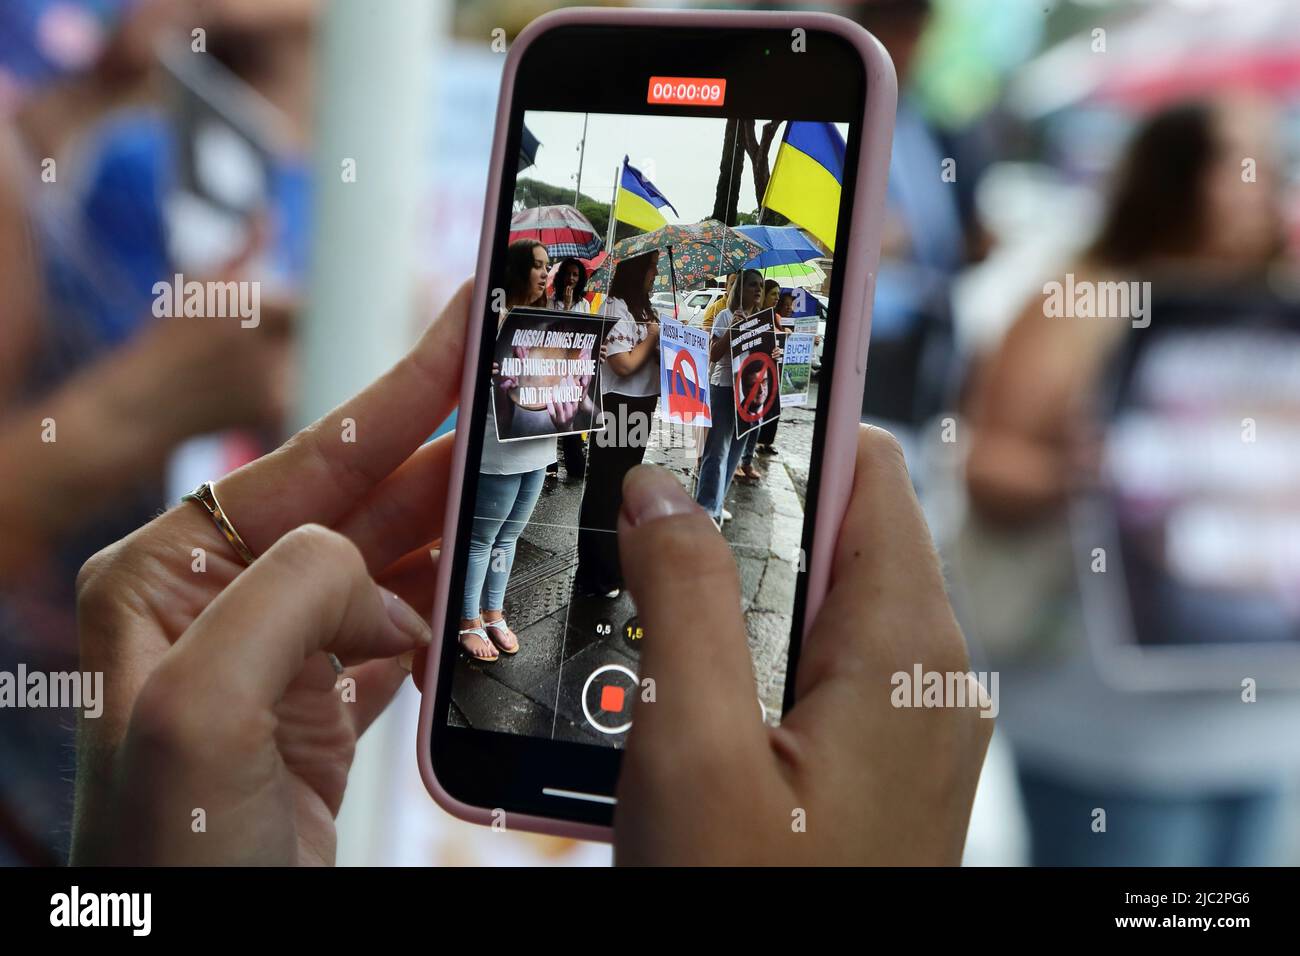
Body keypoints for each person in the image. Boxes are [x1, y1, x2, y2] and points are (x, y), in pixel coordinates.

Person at [69, 279, 992, 865]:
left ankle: (485, 616)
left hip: (536, 452)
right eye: (550, 273)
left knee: (503, 540)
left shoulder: (592, 320)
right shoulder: (538, 318)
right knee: (484, 543)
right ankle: (477, 619)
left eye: (566, 275)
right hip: (521, 450)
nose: (559, 279)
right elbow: (601, 364)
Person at [963, 97, 1300, 865]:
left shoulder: (1278, 305)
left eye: (1269, 163)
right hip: (1110, 729)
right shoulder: (1082, 299)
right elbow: (987, 464)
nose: (1259, 181)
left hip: (1266, 719)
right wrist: (1080, 475)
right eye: (1233, 162)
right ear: (1171, 174)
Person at [459, 239, 561, 661]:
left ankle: (493, 612)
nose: (544, 273)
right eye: (536, 265)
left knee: (511, 535)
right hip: (498, 444)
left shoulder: (547, 321)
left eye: (547, 266)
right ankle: (467, 620)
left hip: (539, 442)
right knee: (482, 537)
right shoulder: (491, 316)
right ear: (517, 269)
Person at [573, 250, 661, 598]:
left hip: (642, 404)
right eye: (651, 268)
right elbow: (622, 364)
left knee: (624, 490)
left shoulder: (644, 309)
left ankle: (614, 565)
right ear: (637, 270)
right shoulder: (615, 308)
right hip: (617, 407)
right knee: (605, 489)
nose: (655, 274)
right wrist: (652, 339)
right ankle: (595, 574)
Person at [695, 268, 764, 523]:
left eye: (760, 285)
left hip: (749, 392)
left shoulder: (761, 320)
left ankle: (716, 501)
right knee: (717, 450)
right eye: (752, 285)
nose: (757, 290)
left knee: (735, 451)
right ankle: (705, 508)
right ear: (740, 290)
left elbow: (761, 358)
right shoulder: (725, 315)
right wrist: (732, 330)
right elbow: (713, 354)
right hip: (724, 388)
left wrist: (774, 354)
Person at [546, 256, 591, 482]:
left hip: (574, 366)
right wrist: (564, 306)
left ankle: (574, 464)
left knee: (571, 416)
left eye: (576, 275)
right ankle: (549, 463)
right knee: (551, 413)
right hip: (552, 364)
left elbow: (582, 335)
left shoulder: (584, 304)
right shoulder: (551, 300)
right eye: (568, 274)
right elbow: (551, 332)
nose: (571, 278)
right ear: (562, 276)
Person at [737, 278, 784, 479]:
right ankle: (738, 462)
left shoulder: (773, 318)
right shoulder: (748, 316)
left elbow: (774, 347)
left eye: (778, 296)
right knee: (743, 423)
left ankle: (746, 461)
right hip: (745, 377)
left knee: (757, 421)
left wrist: (776, 350)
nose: (776, 299)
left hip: (765, 376)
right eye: (773, 294)